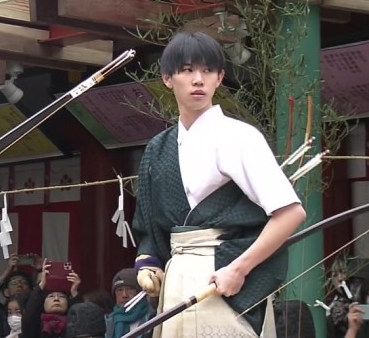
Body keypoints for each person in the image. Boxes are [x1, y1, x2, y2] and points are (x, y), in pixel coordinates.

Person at [131, 31, 307, 337]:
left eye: (208, 71)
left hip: (224, 277)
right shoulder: (158, 148)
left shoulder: (238, 136)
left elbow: (290, 213)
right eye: (187, 70)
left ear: (219, 78)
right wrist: (149, 265)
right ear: (168, 78)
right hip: (178, 277)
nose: (198, 79)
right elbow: (149, 225)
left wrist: (240, 269)